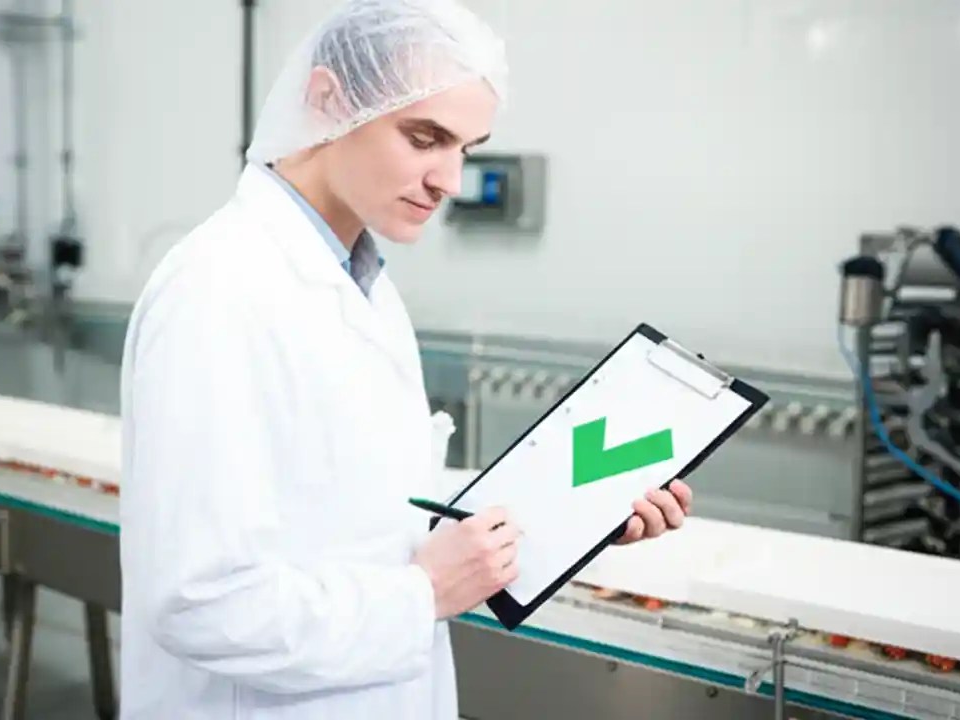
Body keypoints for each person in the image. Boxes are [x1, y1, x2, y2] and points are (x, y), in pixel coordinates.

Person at [117, 1, 693, 717]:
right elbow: (199, 602)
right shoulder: (219, 290)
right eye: (425, 137)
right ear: (327, 99)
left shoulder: (364, 287)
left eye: (467, 148)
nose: (449, 180)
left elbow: (367, 519)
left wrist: (580, 513)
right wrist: (421, 594)